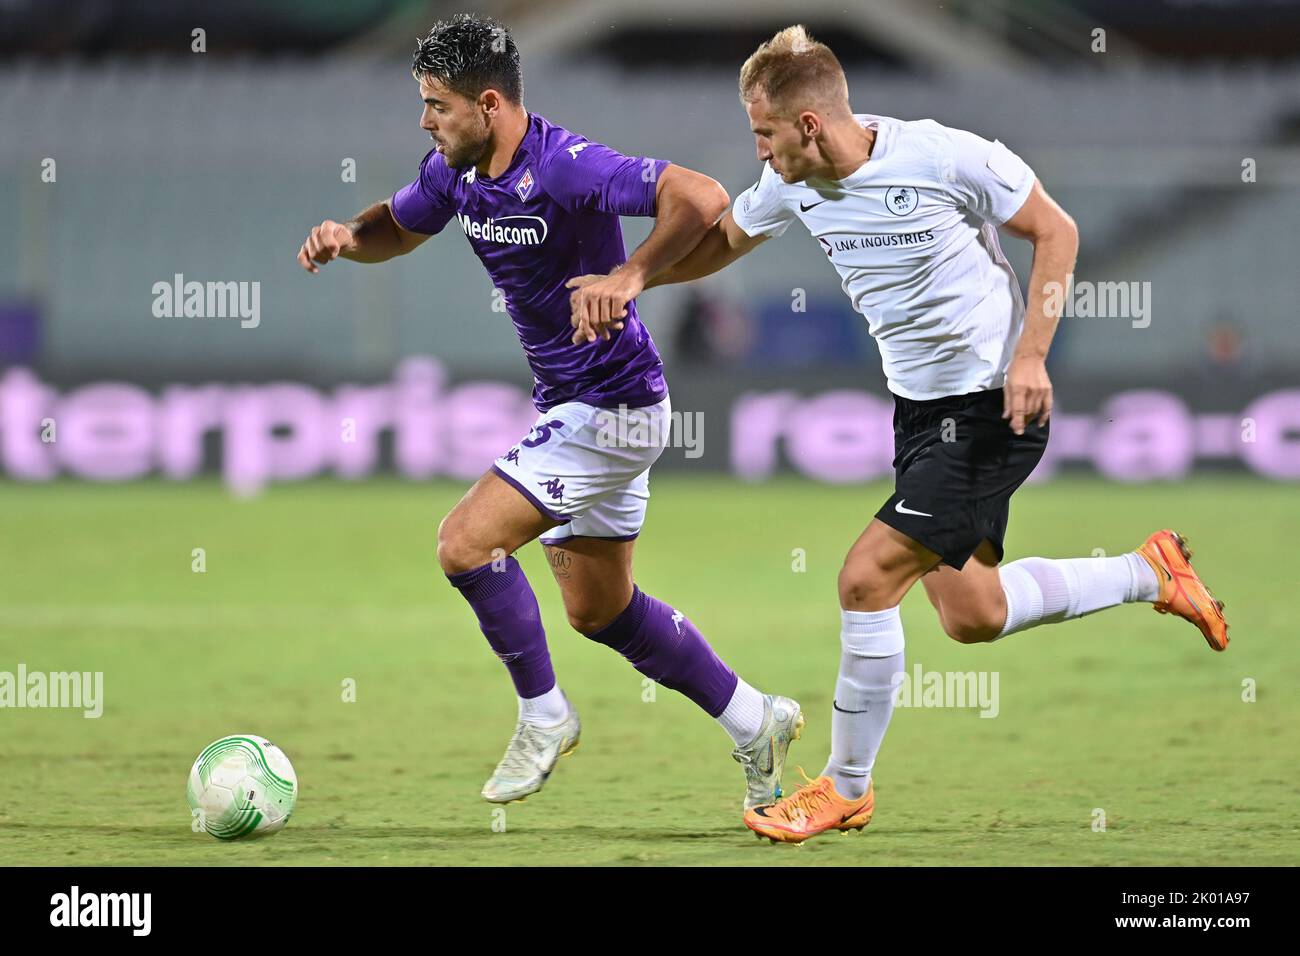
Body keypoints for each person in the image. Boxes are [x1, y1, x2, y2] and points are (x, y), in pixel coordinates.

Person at [567, 24, 1229, 845]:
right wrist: (634, 276)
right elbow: (721, 242)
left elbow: (1056, 233)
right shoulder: (790, 184)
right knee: (974, 613)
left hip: (995, 404)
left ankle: (845, 788)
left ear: (809, 125)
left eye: (765, 134)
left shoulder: (946, 156)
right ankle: (1148, 572)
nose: (761, 154)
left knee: (865, 579)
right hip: (919, 413)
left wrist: (1032, 357)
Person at [297, 14, 803, 814]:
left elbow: (700, 196)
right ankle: (756, 720)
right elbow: (397, 226)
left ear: (488, 104)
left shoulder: (566, 166)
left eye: (437, 105)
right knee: (600, 611)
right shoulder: (452, 172)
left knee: (465, 543)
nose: (426, 121)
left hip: (611, 405)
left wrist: (631, 276)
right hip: (581, 405)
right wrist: (346, 237)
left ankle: (545, 714)